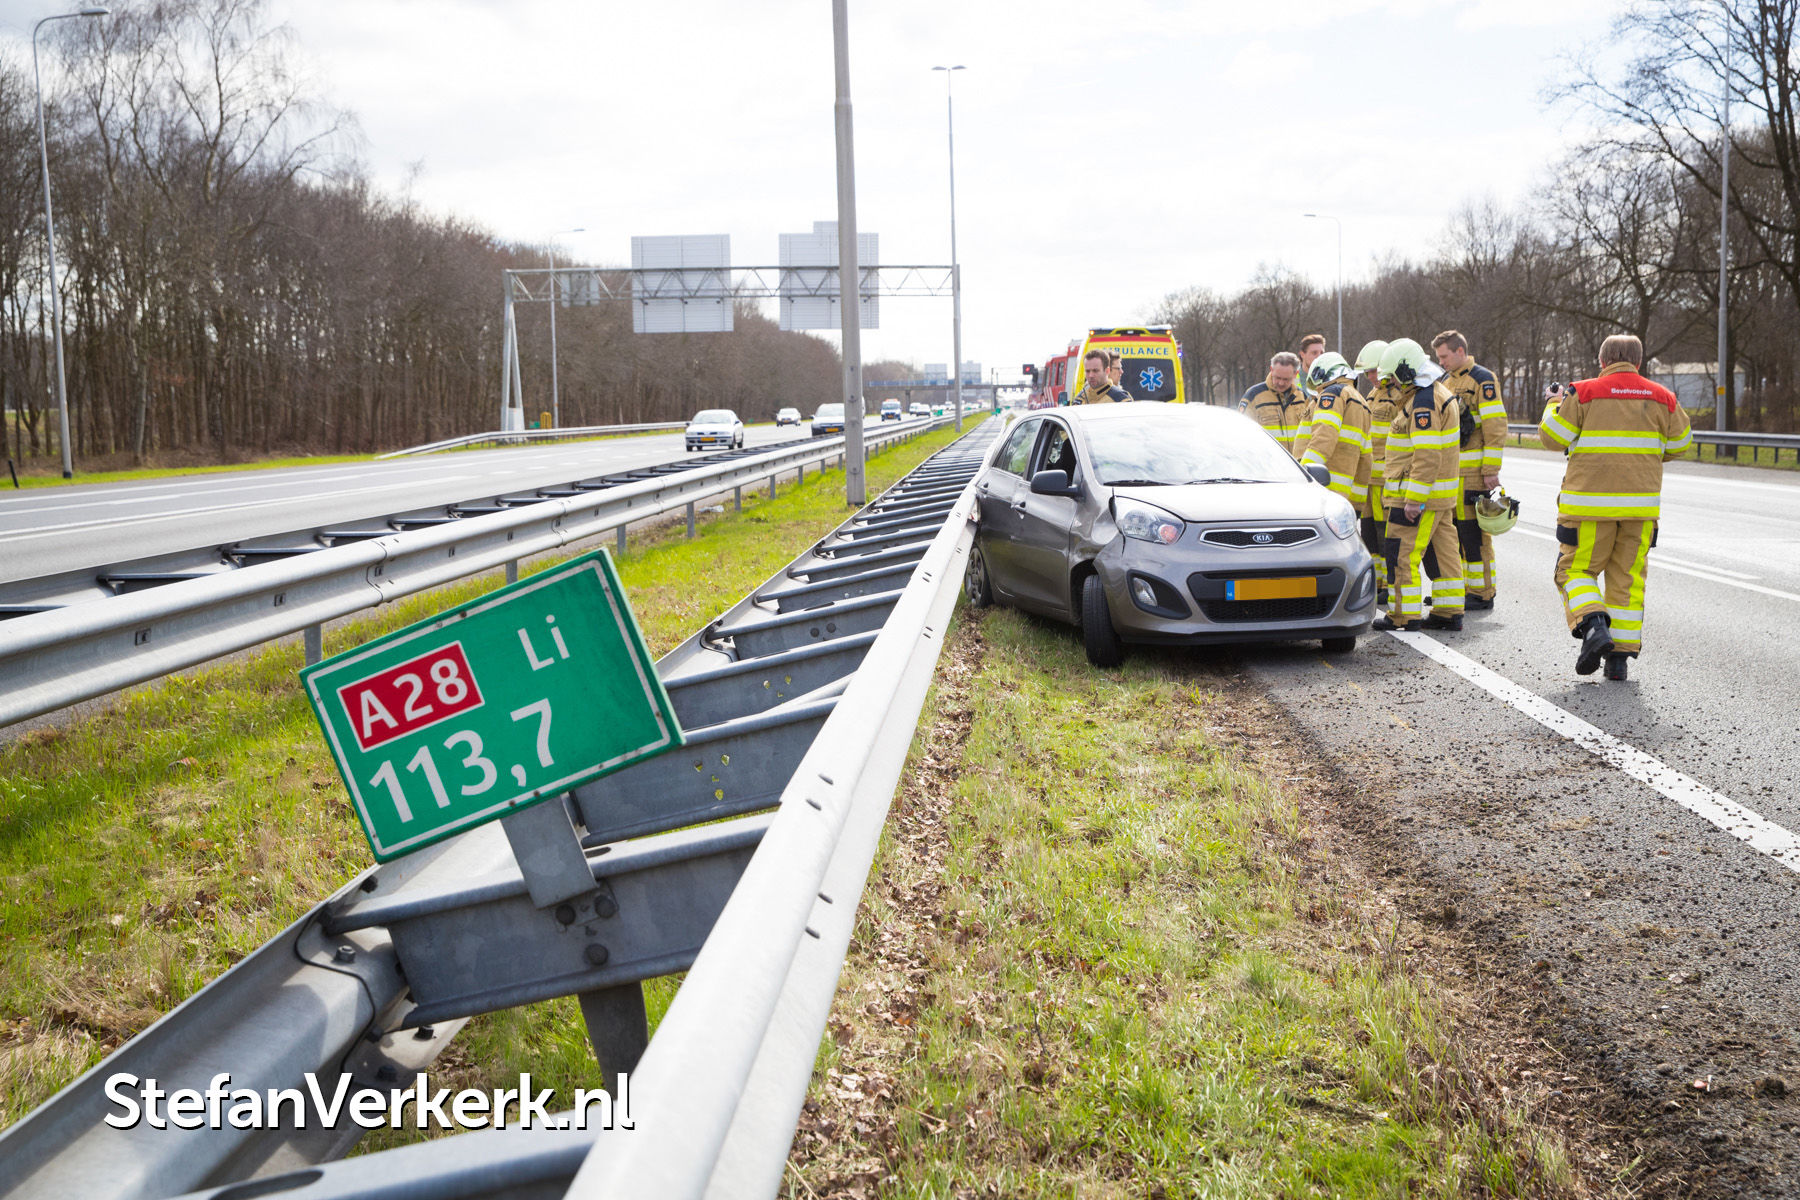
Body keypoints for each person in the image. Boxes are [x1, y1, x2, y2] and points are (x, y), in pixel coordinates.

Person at [1537, 333, 1691, 681]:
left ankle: (1593, 627)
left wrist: (1552, 404)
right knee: (1627, 580)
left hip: (1589, 507)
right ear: (1638, 361)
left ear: (1602, 360)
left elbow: (1552, 438)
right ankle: (1618, 662)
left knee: (1575, 572)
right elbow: (1681, 443)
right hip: (1640, 510)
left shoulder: (1584, 392)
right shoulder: (1662, 396)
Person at [1371, 338, 1464, 632]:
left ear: (1406, 371)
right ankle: (1449, 611)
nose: (1393, 384)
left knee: (1401, 554)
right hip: (1439, 497)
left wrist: (1413, 499)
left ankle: (1402, 615)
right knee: (1446, 553)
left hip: (1415, 497)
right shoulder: (1435, 393)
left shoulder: (1423, 402)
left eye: (1395, 377)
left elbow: (1426, 455)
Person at [1432, 331, 1508, 610]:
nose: (1441, 363)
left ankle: (1482, 592)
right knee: (1456, 533)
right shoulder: (1446, 381)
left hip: (1475, 473)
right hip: (1452, 473)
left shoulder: (1482, 379)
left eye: (1444, 356)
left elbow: (1495, 426)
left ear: (1460, 350)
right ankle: (1464, 587)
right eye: (1438, 358)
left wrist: (1490, 470)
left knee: (1474, 534)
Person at [1293, 352, 1373, 509]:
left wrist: (1304, 478)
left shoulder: (1332, 394)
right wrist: (1357, 504)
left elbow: (1323, 438)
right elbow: (1366, 458)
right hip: (1343, 498)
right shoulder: (1361, 402)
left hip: (1320, 491)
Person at [1355, 340, 1394, 604]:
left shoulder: (1399, 395)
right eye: (1367, 373)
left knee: (1386, 534)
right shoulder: (1371, 396)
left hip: (1387, 480)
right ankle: (1379, 584)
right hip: (1370, 479)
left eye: (1374, 371)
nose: (1370, 377)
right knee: (1370, 534)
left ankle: (1391, 584)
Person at [1238, 352, 1307, 456]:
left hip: (1297, 466)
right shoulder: (1253, 396)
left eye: (1286, 379)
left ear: (1295, 374)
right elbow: (1242, 434)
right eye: (1277, 378)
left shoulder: (1302, 397)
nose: (1281, 383)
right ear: (1271, 370)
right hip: (1268, 465)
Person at [1298, 333, 1327, 398]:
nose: (1319, 357)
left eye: (1321, 353)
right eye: (1314, 353)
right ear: (1302, 354)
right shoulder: (1291, 379)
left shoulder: (1329, 379)